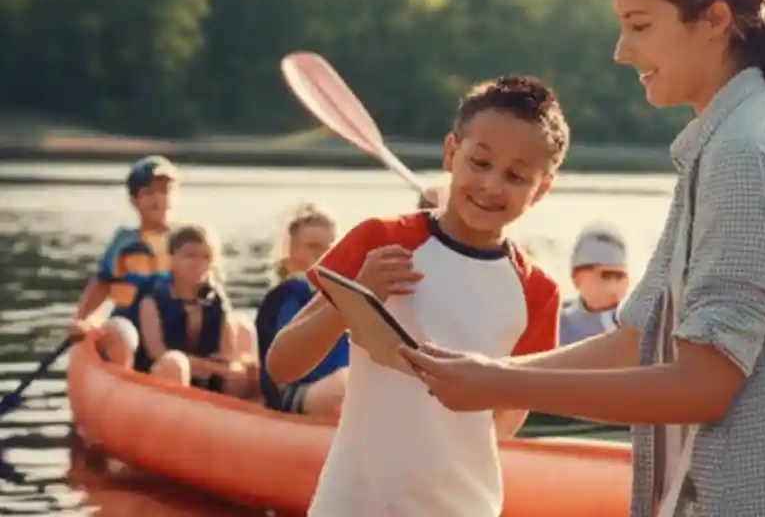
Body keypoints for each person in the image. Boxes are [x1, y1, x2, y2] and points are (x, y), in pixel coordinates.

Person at [399, 0, 765, 517]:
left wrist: (502, 385)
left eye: (640, 25)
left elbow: (706, 384)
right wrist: (489, 373)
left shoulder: (744, 150)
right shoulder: (725, 137)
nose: (622, 51)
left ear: (714, 21)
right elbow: (635, 338)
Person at [265, 75, 565, 517]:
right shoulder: (380, 239)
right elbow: (282, 365)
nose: (491, 186)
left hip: (461, 506)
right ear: (450, 153)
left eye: (516, 176)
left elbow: (505, 420)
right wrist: (356, 298)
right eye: (479, 163)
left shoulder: (538, 292)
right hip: (352, 501)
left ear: (540, 190)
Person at [66, 155, 180, 368]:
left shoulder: (185, 239)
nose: (158, 198)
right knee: (118, 331)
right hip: (129, 321)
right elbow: (102, 285)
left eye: (165, 191)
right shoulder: (124, 241)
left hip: (171, 322)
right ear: (134, 200)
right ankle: (123, 377)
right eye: (148, 193)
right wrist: (82, 319)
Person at [136, 224, 257, 398]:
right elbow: (158, 354)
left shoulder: (216, 299)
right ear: (170, 260)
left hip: (205, 376)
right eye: (190, 256)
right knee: (175, 364)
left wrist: (239, 370)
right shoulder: (152, 300)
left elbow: (227, 354)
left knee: (244, 373)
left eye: (206, 257)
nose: (199, 263)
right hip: (163, 376)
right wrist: (215, 369)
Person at [255, 203, 349, 416]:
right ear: (291, 252)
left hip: (336, 388)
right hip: (295, 393)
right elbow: (293, 367)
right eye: (313, 247)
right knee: (347, 382)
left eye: (330, 247)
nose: (324, 255)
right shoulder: (287, 295)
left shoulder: (349, 295)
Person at [559, 224, 630, 345]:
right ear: (577, 277)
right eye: (606, 276)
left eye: (620, 276)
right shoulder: (556, 325)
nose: (614, 288)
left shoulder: (634, 327)